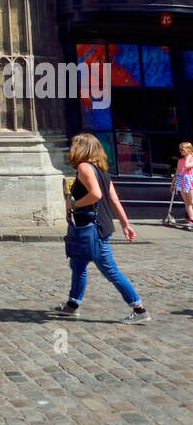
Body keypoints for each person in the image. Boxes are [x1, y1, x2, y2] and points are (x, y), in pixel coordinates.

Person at [55, 133, 151, 323]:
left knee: (110, 271)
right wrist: (125, 224)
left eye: (75, 144)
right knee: (78, 265)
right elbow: (114, 200)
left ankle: (139, 309)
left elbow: (96, 194)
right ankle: (72, 305)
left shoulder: (83, 167)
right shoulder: (102, 171)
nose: (71, 148)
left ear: (82, 148)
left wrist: (73, 205)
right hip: (96, 227)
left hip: (92, 229)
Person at [175, 141, 193, 228]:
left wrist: (189, 156)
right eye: (179, 149)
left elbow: (187, 166)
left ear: (189, 150)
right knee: (187, 202)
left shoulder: (191, 158)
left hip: (190, 181)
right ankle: (191, 219)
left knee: (192, 201)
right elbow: (177, 172)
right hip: (181, 181)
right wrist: (172, 183)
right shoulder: (180, 160)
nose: (180, 151)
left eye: (182, 149)